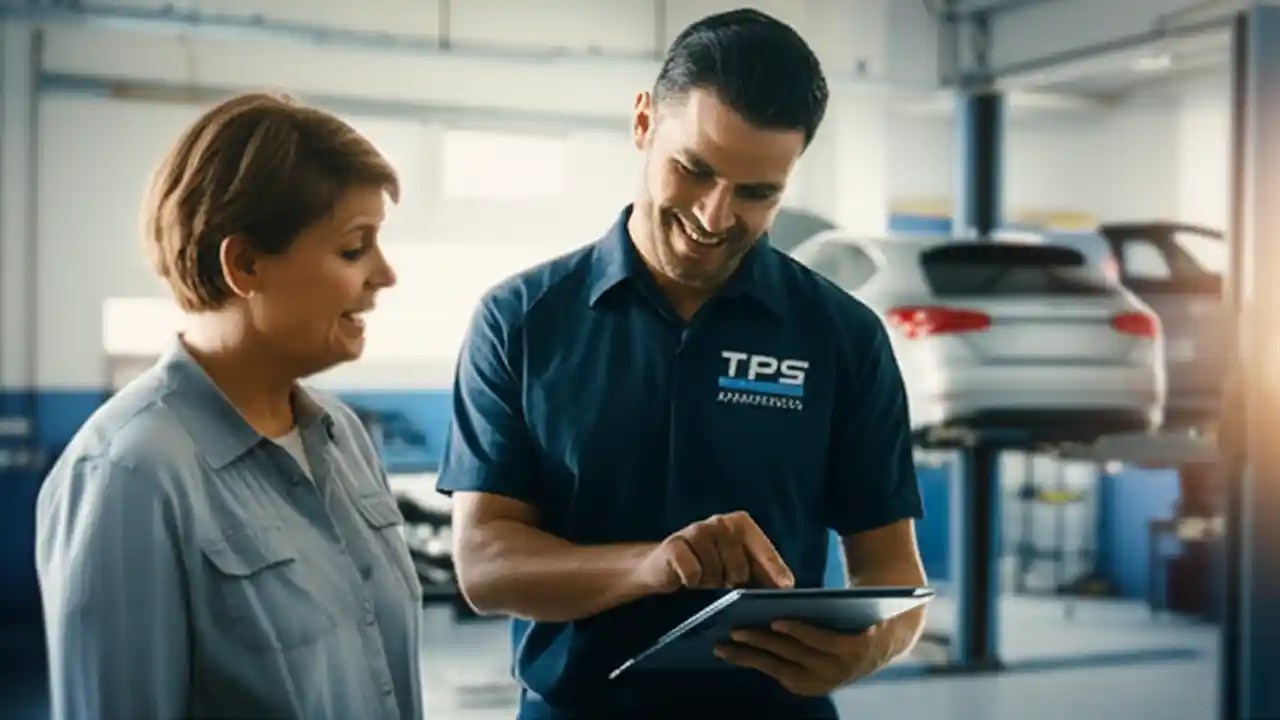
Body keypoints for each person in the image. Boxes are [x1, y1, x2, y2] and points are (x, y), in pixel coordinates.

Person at [438, 8, 927, 719]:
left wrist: (873, 647)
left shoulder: (843, 337)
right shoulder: (520, 321)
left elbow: (894, 576)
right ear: (643, 122)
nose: (714, 217)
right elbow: (485, 566)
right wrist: (652, 566)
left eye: (757, 193)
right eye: (694, 170)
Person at [34, 92, 422, 720]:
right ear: (244, 264)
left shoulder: (341, 436)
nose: (386, 275)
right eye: (354, 249)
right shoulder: (131, 475)